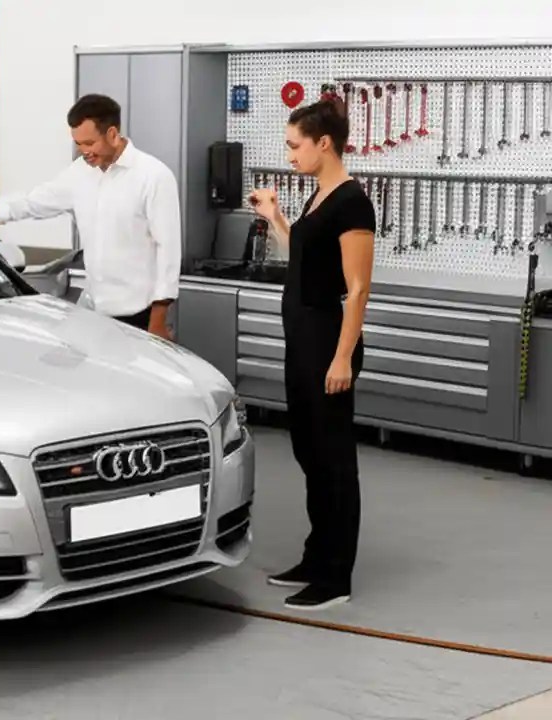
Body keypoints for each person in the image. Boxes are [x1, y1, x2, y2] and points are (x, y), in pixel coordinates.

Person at [248, 95, 376, 611]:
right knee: (308, 452)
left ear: (325, 143)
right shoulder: (315, 197)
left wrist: (343, 357)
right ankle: (314, 555)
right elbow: (301, 255)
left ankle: (335, 577)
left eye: (295, 145)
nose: (290, 155)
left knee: (333, 461)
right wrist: (277, 216)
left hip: (328, 342)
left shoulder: (351, 202)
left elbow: (358, 288)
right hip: (301, 339)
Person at [0, 94, 182, 340]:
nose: (83, 151)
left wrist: (158, 321)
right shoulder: (80, 174)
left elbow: (168, 251)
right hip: (98, 312)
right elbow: (29, 203)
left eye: (89, 143)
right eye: (78, 144)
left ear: (113, 134)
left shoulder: (153, 177)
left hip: (142, 315)